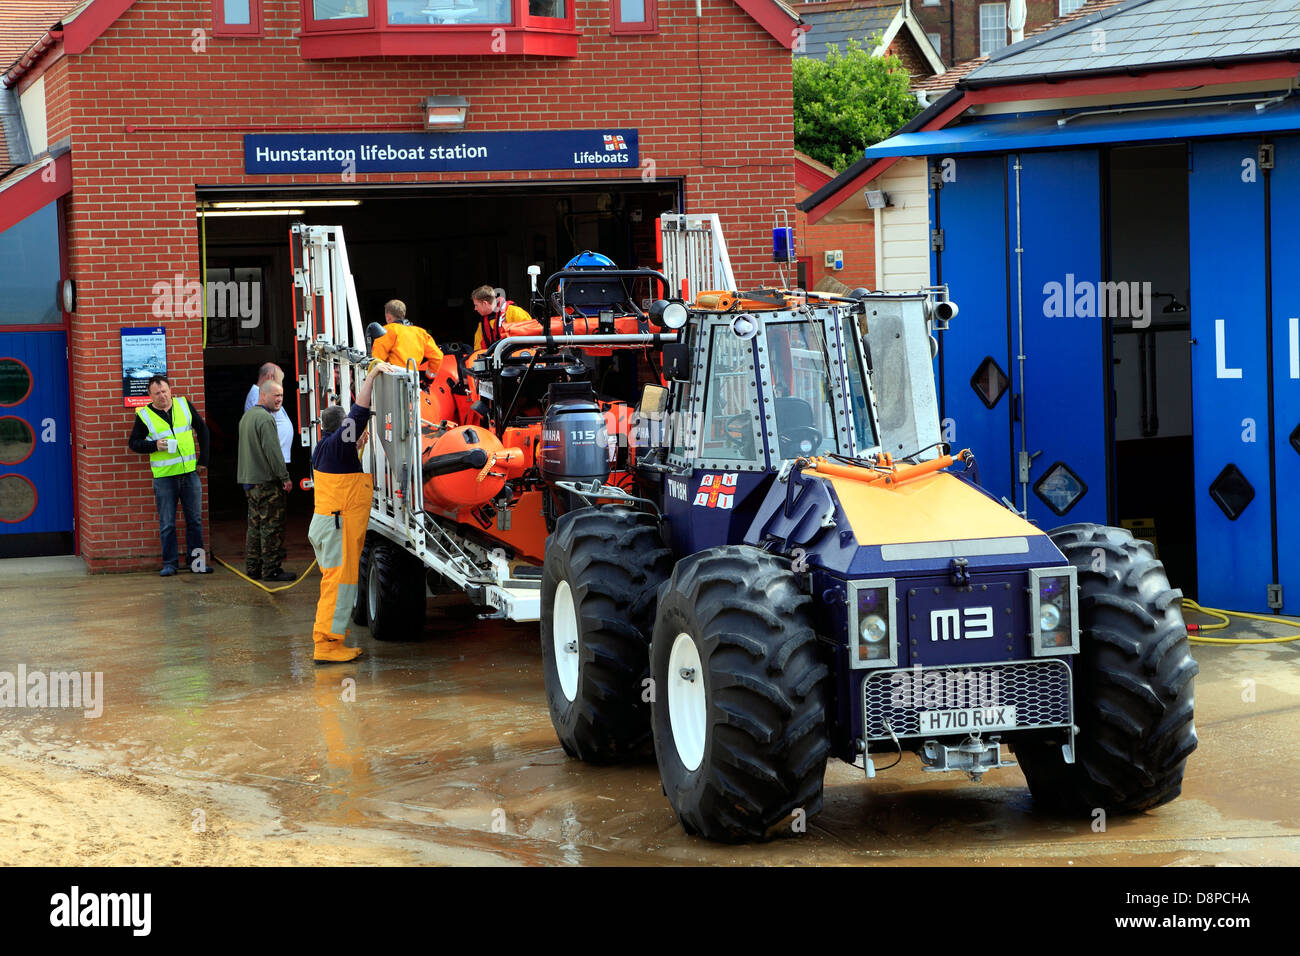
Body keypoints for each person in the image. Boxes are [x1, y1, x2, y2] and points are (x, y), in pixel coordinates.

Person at [308, 360, 400, 663]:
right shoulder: (337, 446)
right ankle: (326, 645)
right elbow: (360, 412)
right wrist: (372, 376)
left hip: (328, 524)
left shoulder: (326, 447)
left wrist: (359, 444)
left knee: (335, 583)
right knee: (337, 584)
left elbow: (347, 464)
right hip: (336, 526)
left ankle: (331, 640)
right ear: (342, 429)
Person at [128, 375, 213, 576]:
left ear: (170, 390)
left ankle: (197, 564)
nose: (162, 396)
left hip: (190, 474)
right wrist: (154, 445)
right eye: (157, 393)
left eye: (165, 391)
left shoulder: (183, 405)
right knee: (167, 523)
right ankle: (170, 564)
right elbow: (134, 443)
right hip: (164, 477)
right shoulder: (144, 415)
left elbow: (203, 430)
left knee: (195, 521)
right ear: (150, 395)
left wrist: (203, 461)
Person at [237, 379, 293, 582]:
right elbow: (273, 451)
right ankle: (271, 570)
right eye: (275, 395)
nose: (279, 400)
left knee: (254, 526)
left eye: (281, 396)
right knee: (271, 527)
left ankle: (253, 568)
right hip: (266, 482)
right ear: (263, 395)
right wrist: (284, 477)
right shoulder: (265, 419)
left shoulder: (247, 417)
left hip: (249, 481)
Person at [369, 299, 443, 375]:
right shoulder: (421, 333)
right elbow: (437, 357)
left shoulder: (386, 331)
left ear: (388, 317)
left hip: (392, 381)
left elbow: (376, 361)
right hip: (414, 381)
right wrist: (429, 378)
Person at [244, 362, 294, 470]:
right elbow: (262, 429)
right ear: (270, 377)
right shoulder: (258, 396)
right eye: (279, 379)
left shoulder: (265, 394)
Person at [471, 285, 531, 351]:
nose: (475, 308)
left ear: (485, 303)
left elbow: (530, 337)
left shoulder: (514, 312)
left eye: (476, 305)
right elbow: (478, 349)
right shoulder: (482, 324)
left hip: (517, 357)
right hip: (495, 358)